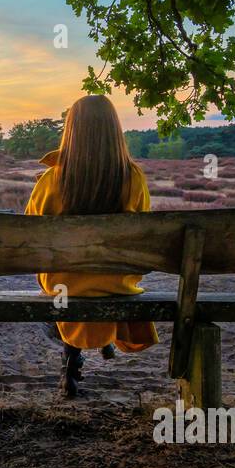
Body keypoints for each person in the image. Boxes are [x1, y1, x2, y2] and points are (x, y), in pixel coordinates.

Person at [24, 94, 159, 397]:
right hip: (117, 286)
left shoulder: (51, 180)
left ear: (71, 130)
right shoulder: (133, 178)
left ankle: (73, 349)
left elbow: (28, 240)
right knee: (100, 286)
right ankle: (104, 335)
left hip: (64, 287)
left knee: (58, 295)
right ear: (115, 130)